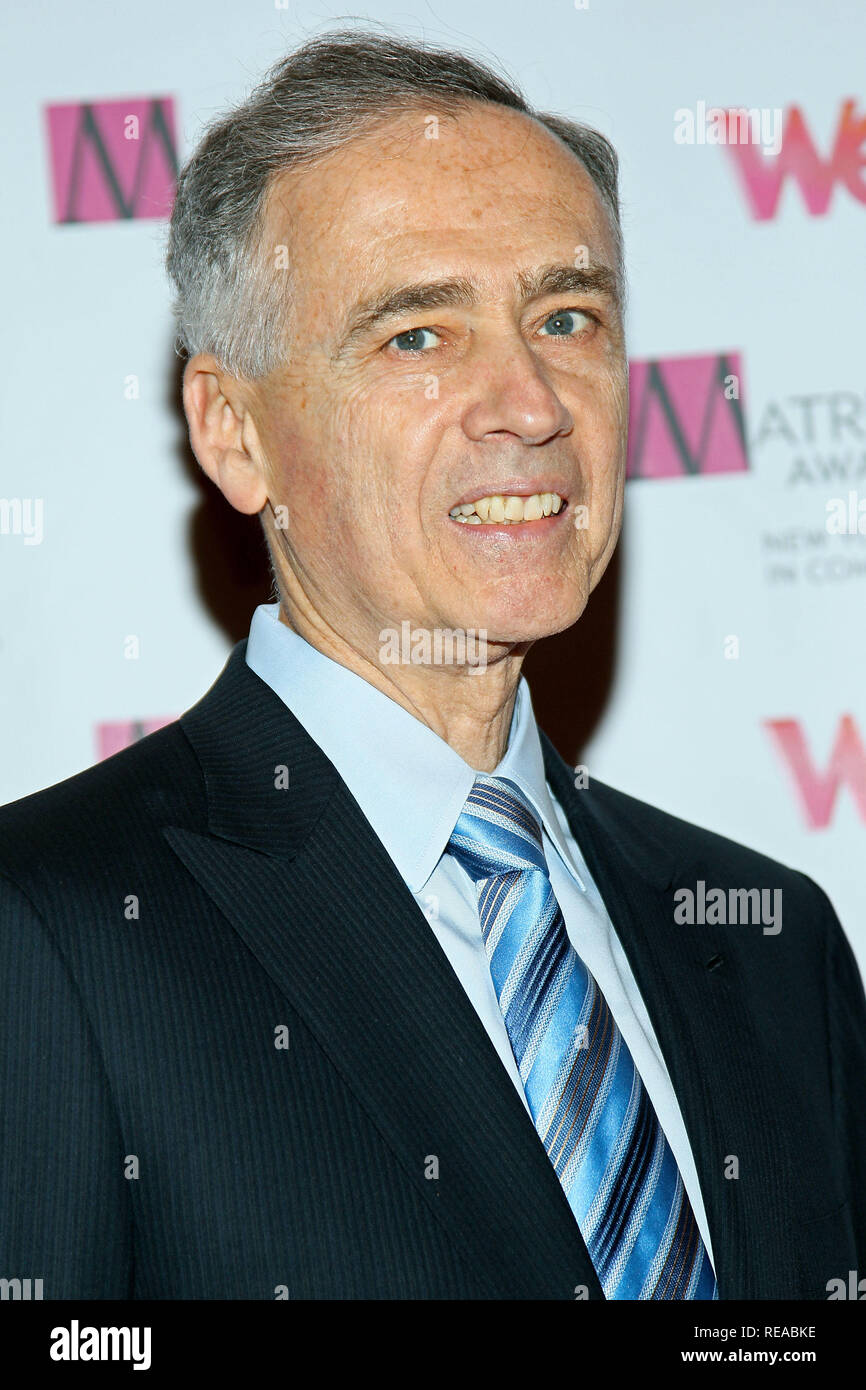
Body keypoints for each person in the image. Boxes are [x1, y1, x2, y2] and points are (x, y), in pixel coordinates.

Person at [1, 28, 863, 1301]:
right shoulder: (47, 933)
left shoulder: (772, 937)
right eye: (418, 335)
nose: (530, 401)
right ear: (233, 434)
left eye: (565, 316)